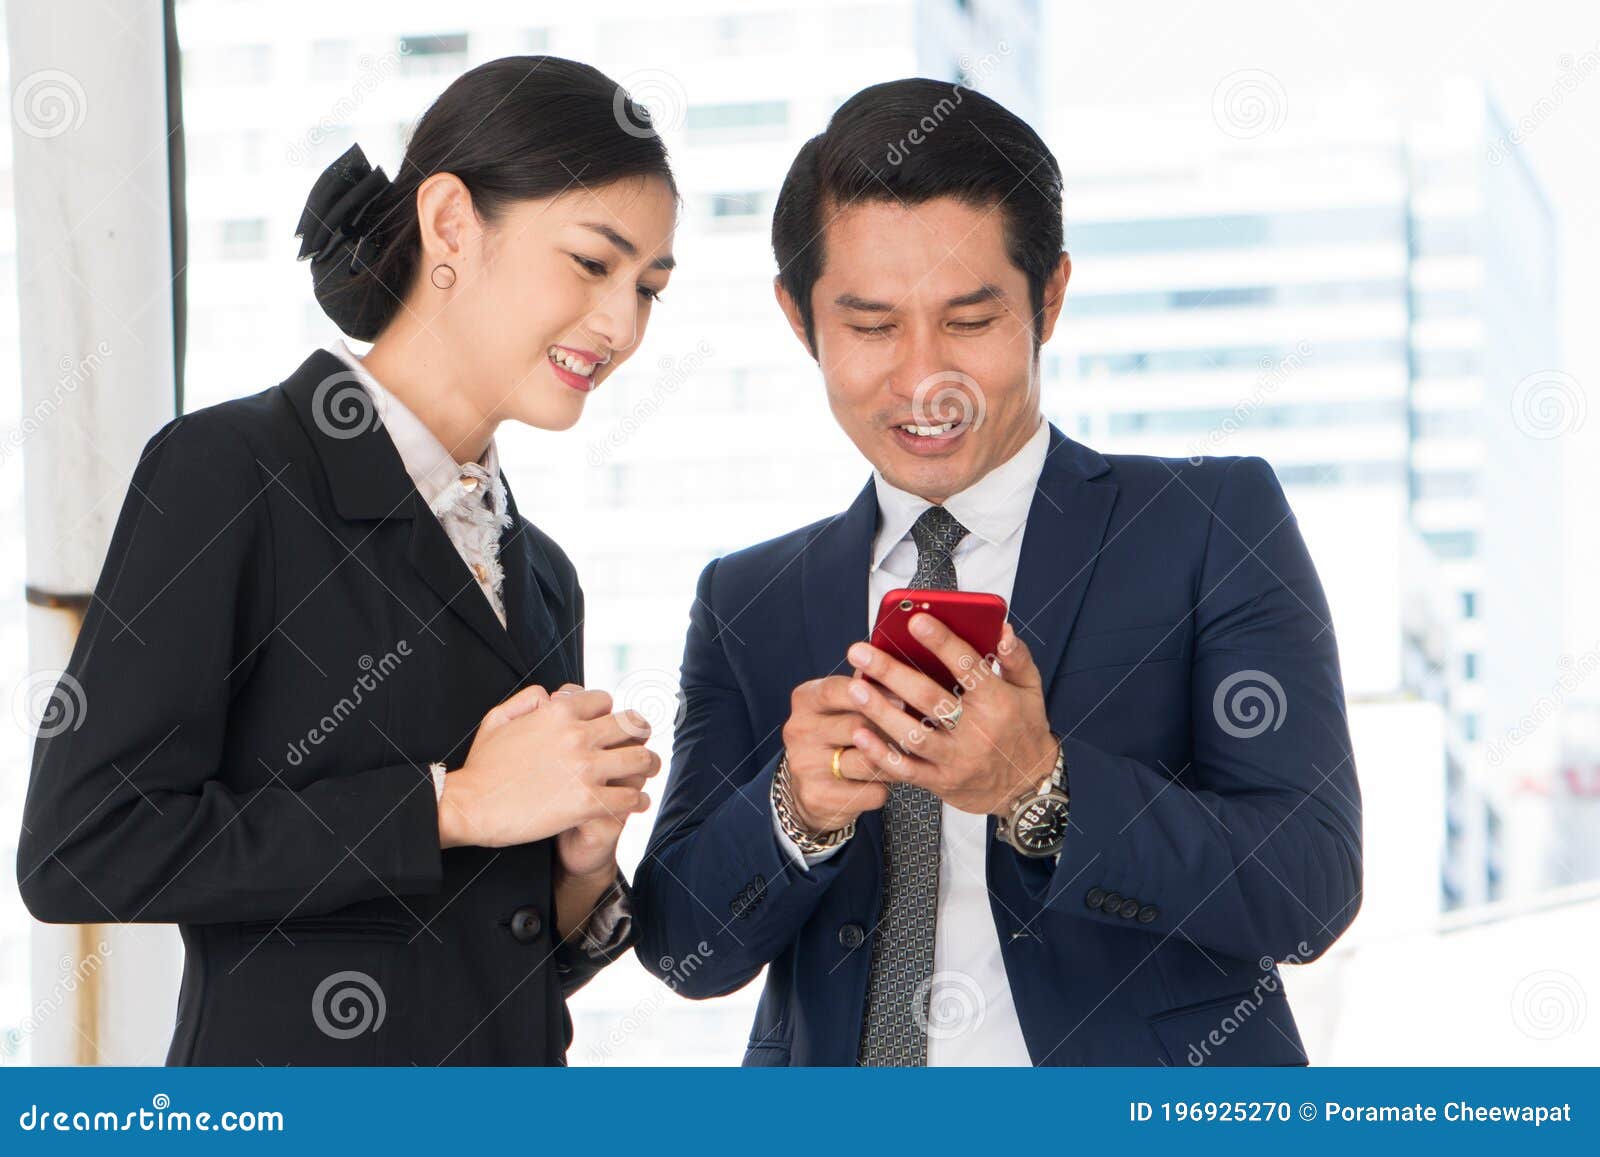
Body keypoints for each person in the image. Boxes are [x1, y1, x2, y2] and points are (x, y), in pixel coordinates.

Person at [635, 79, 1362, 1066]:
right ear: (798, 319)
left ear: (1049, 297)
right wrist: (791, 810)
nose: (923, 375)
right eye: (871, 324)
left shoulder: (1206, 525)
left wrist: (1041, 785)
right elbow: (683, 947)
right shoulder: (747, 598)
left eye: (970, 320)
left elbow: (1307, 886)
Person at [16, 56, 677, 1065]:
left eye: (648, 289)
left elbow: (495, 960)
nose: (621, 326)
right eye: (593, 264)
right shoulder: (231, 474)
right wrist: (449, 801)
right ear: (451, 223)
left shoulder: (540, 574)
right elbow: (83, 847)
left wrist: (579, 864)